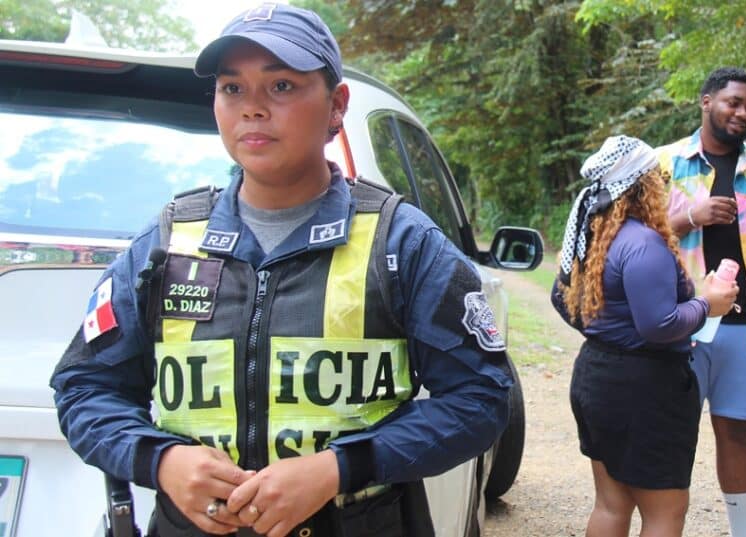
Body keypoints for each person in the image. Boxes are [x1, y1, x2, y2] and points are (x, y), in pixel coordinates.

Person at [50, 5, 513, 537]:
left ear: (337, 106)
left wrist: (338, 468)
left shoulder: (401, 243)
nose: (252, 109)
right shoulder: (168, 242)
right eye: (232, 88)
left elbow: (480, 399)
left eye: (283, 86)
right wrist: (162, 461)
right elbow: (83, 388)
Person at [552, 135, 738, 537]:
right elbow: (658, 325)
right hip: (646, 390)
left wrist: (605, 333)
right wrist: (708, 303)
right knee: (664, 512)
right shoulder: (644, 244)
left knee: (611, 504)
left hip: (596, 376)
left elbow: (559, 295)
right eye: (660, 177)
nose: (664, 185)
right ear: (644, 185)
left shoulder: (592, 236)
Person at [656, 66, 746, 537]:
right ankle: (663, 526)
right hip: (683, 322)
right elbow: (632, 238)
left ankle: (743, 532)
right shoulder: (663, 164)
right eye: (733, 103)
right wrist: (690, 216)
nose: (742, 113)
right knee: (674, 432)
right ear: (706, 102)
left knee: (737, 431)